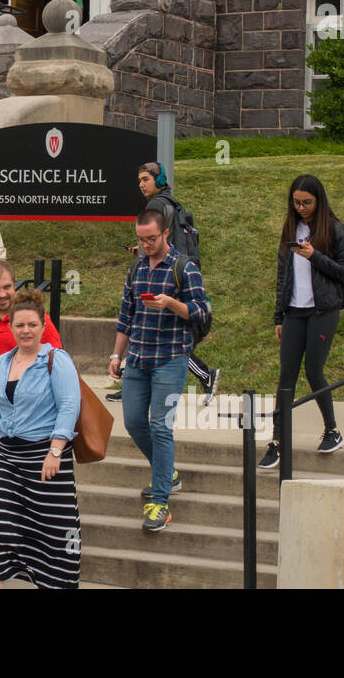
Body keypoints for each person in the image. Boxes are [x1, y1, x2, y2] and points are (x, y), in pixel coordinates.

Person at [0, 288, 81, 588]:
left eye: (32, 325)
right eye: (20, 325)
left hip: (44, 456)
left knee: (53, 535)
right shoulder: (3, 362)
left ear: (42, 326)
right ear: (11, 327)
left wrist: (55, 451)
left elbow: (69, 406)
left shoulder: (55, 359)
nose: (26, 331)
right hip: (7, 453)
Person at [110, 209, 211, 530]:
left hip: (171, 358)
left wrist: (171, 303)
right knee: (133, 422)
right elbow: (126, 315)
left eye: (151, 239)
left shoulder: (184, 268)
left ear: (166, 233)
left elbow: (201, 311)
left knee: (160, 427)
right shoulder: (136, 268)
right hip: (138, 358)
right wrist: (116, 355)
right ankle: (167, 472)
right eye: (140, 239)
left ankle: (160, 503)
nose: (145, 245)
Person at [259, 175, 344, 469]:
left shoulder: (335, 229)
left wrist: (314, 256)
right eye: (296, 202)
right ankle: (277, 441)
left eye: (307, 202)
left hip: (323, 310)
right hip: (294, 311)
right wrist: (279, 316)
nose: (301, 207)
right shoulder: (290, 227)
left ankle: (332, 430)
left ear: (319, 200)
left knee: (314, 371)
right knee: (286, 377)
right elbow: (282, 275)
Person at [109, 162, 220, 405]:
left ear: (159, 181)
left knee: (161, 334)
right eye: (139, 180)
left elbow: (166, 238)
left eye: (146, 179)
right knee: (162, 333)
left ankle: (203, 375)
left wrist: (152, 259)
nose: (141, 184)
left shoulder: (156, 204)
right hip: (173, 271)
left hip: (164, 274)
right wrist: (145, 249)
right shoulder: (170, 202)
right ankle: (131, 382)